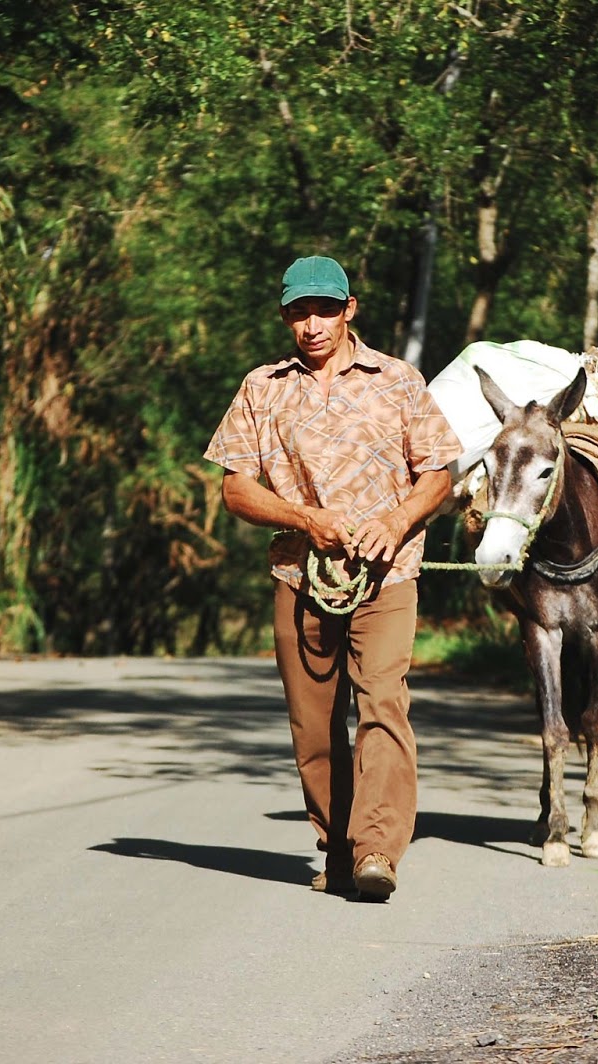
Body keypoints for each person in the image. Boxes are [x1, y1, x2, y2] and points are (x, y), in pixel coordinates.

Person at [203, 256, 462, 901]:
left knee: (382, 702)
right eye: (299, 313)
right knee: (313, 726)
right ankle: (339, 850)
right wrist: (304, 518)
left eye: (324, 310)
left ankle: (377, 851)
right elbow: (236, 490)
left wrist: (397, 520)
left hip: (386, 577)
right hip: (301, 576)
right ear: (285, 317)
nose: (312, 325)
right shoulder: (261, 388)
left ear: (349, 310)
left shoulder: (398, 380)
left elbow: (438, 474)